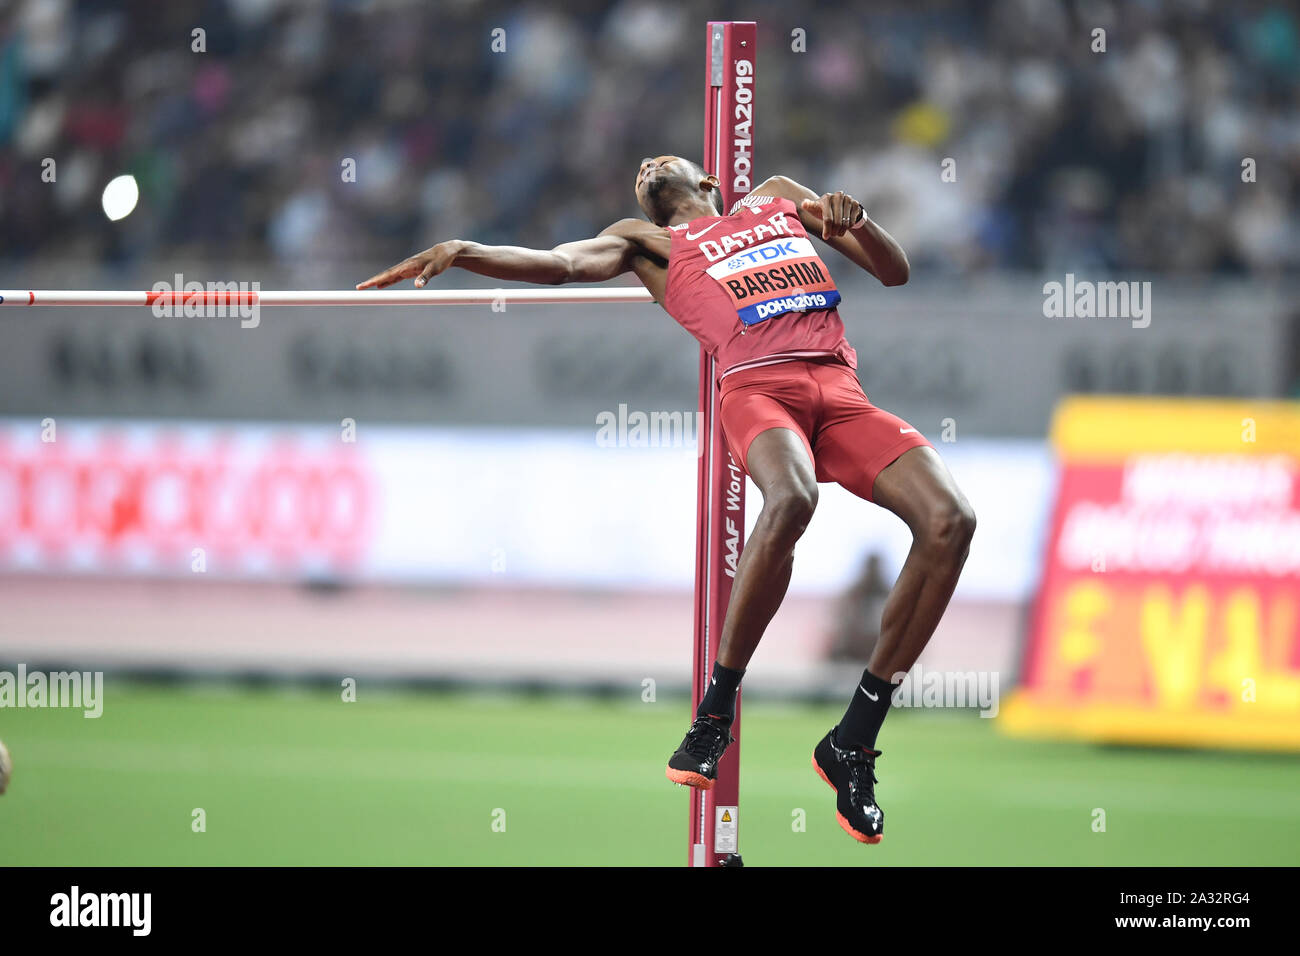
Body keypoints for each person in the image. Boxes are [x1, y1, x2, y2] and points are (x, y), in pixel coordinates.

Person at [358, 156, 976, 844]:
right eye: (639, 171)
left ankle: (854, 740)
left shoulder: (774, 198)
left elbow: (893, 270)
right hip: (758, 391)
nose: (646, 165)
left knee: (952, 519)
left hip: (839, 390)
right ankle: (714, 716)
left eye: (660, 161)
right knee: (793, 498)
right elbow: (560, 263)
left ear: (713, 183)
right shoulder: (648, 243)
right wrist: (467, 250)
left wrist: (858, 219)